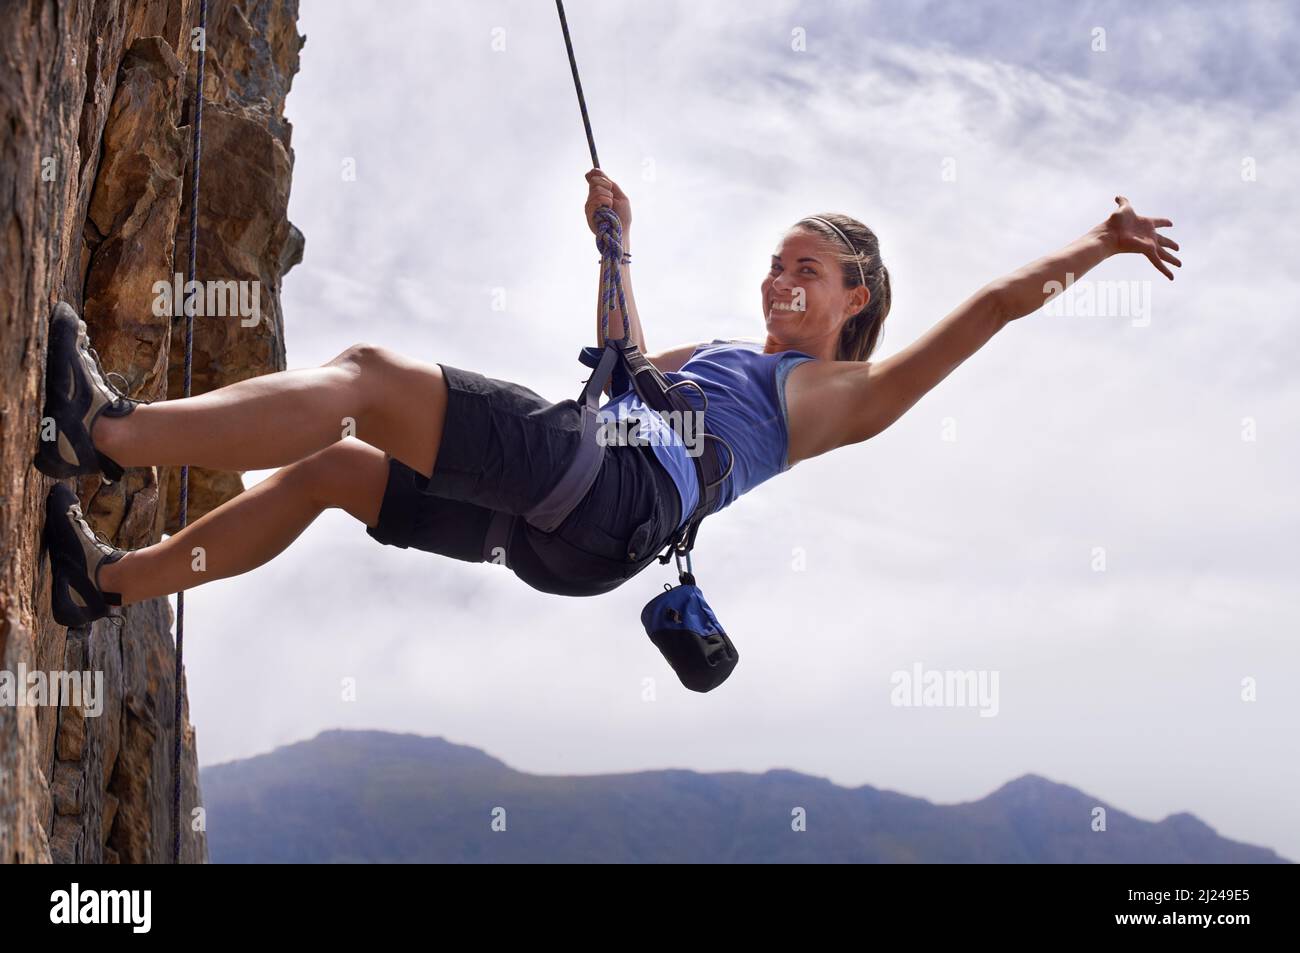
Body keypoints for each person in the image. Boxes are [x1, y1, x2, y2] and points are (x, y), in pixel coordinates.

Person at [37, 169, 1180, 626]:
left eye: (808, 269)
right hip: (586, 535)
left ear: (856, 295)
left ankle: (107, 434)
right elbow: (619, 357)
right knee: (338, 471)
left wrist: (1100, 241)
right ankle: (108, 583)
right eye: (777, 260)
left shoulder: (843, 393)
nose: (781, 278)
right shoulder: (727, 353)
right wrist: (616, 244)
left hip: (610, 493)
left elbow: (988, 306)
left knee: (372, 382)